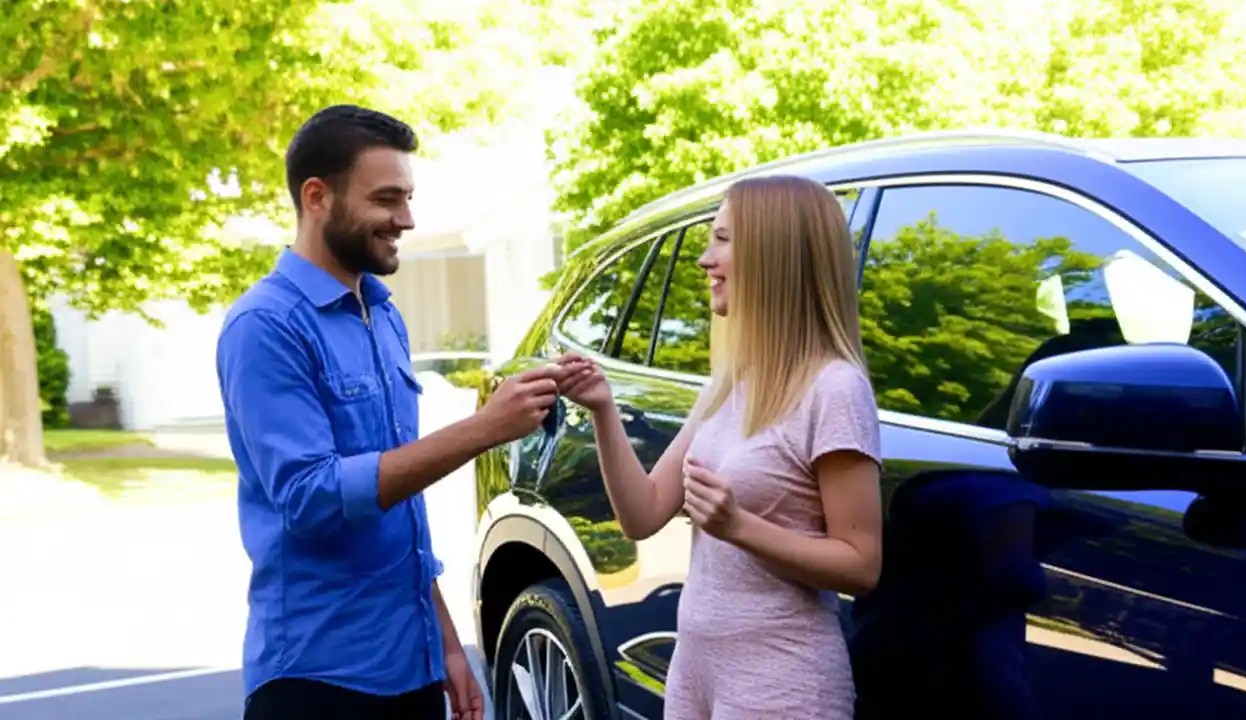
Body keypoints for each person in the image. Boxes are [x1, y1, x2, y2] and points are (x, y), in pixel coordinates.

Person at [216, 104, 562, 720]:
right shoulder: (264, 326)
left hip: (412, 665)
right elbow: (311, 497)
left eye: (407, 197)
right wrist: (483, 431)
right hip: (318, 681)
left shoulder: (383, 313)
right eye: (386, 199)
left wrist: (448, 644)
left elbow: (399, 510)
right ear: (316, 196)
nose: (405, 218)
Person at [556, 175, 884, 719]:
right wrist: (603, 410)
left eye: (723, 240)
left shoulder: (835, 388)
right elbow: (642, 515)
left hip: (783, 681)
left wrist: (740, 527)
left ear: (773, 252)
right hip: (696, 670)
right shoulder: (732, 382)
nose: (706, 259)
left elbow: (861, 565)